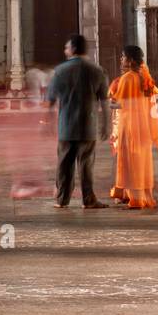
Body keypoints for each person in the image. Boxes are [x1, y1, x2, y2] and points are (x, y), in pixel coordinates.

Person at [46, 34, 109, 209]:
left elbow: (50, 100)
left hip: (66, 126)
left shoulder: (60, 71)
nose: (65, 50)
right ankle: (88, 199)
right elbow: (105, 102)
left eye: (66, 47)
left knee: (64, 164)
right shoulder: (98, 71)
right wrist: (106, 124)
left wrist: (47, 122)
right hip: (88, 126)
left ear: (73, 49)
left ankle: (62, 199)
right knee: (86, 164)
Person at [108, 44, 158, 210]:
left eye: (123, 56)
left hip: (130, 127)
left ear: (130, 60)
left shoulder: (127, 78)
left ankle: (135, 198)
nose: (121, 59)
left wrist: (110, 104)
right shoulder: (146, 78)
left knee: (130, 162)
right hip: (144, 127)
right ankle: (143, 195)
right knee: (142, 162)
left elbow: (119, 105)